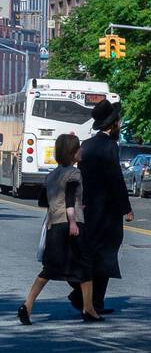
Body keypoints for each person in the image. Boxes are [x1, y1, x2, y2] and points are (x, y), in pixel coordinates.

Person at [18, 134, 101, 323]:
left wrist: (59, 204)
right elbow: (70, 198)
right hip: (72, 225)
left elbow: (42, 201)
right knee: (86, 265)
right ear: (72, 153)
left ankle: (28, 305)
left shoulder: (51, 175)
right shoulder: (74, 173)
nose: (82, 151)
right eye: (78, 148)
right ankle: (88, 309)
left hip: (54, 226)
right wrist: (73, 219)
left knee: (49, 268)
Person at [69, 99, 134, 315]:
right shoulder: (110, 147)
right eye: (119, 121)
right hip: (107, 212)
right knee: (105, 256)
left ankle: (87, 298)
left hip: (88, 209)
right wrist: (126, 208)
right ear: (113, 124)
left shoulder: (86, 145)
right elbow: (116, 179)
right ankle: (92, 301)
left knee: (91, 253)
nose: (121, 124)